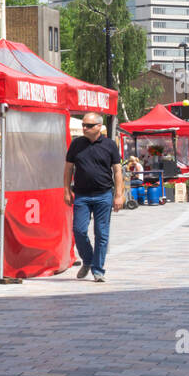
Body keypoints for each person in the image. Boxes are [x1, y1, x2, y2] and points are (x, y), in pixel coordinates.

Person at [64, 114, 124, 283]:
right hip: (82, 195)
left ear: (99, 126)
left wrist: (119, 194)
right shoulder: (76, 144)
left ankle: (98, 270)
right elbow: (68, 168)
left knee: (101, 233)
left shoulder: (110, 145)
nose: (84, 128)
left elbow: (117, 171)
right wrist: (66, 190)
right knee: (79, 230)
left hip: (103, 194)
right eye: (83, 125)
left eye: (89, 125)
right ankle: (88, 260)